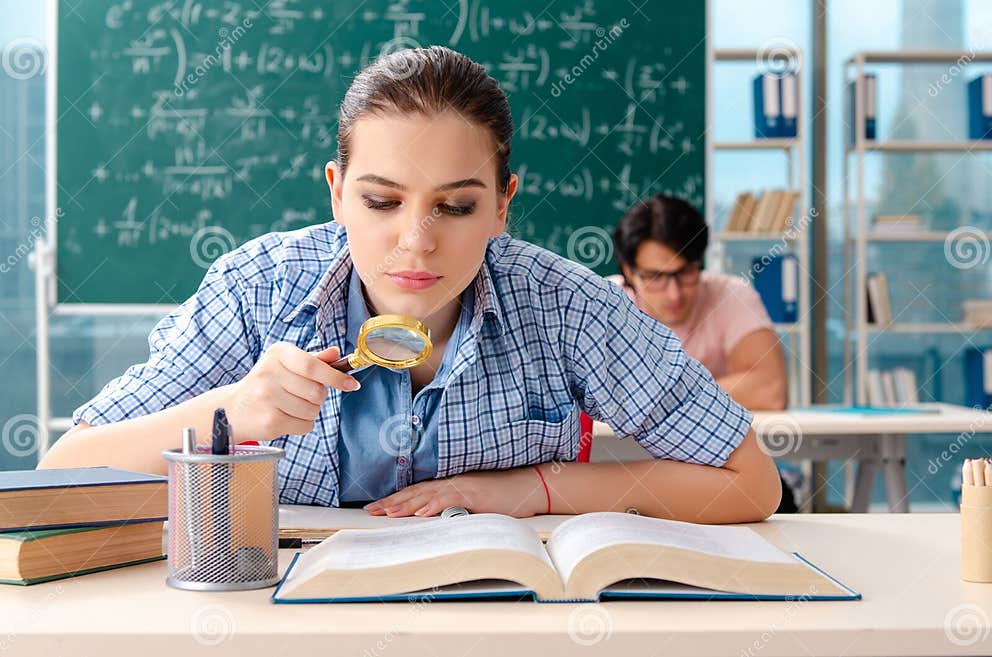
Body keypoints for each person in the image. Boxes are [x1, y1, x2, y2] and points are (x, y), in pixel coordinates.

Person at [38, 47, 781, 523]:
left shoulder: (564, 305)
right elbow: (64, 469)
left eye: (456, 206)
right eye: (381, 200)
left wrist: (528, 489)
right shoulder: (254, 290)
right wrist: (231, 408)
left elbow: (752, 480)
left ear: (503, 203)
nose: (416, 241)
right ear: (336, 193)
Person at [609, 194, 797, 511]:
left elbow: (768, 389)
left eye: (685, 272)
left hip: (724, 471)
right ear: (629, 271)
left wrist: (646, 397)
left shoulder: (732, 294)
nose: (674, 293)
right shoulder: (606, 302)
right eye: (655, 277)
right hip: (625, 476)